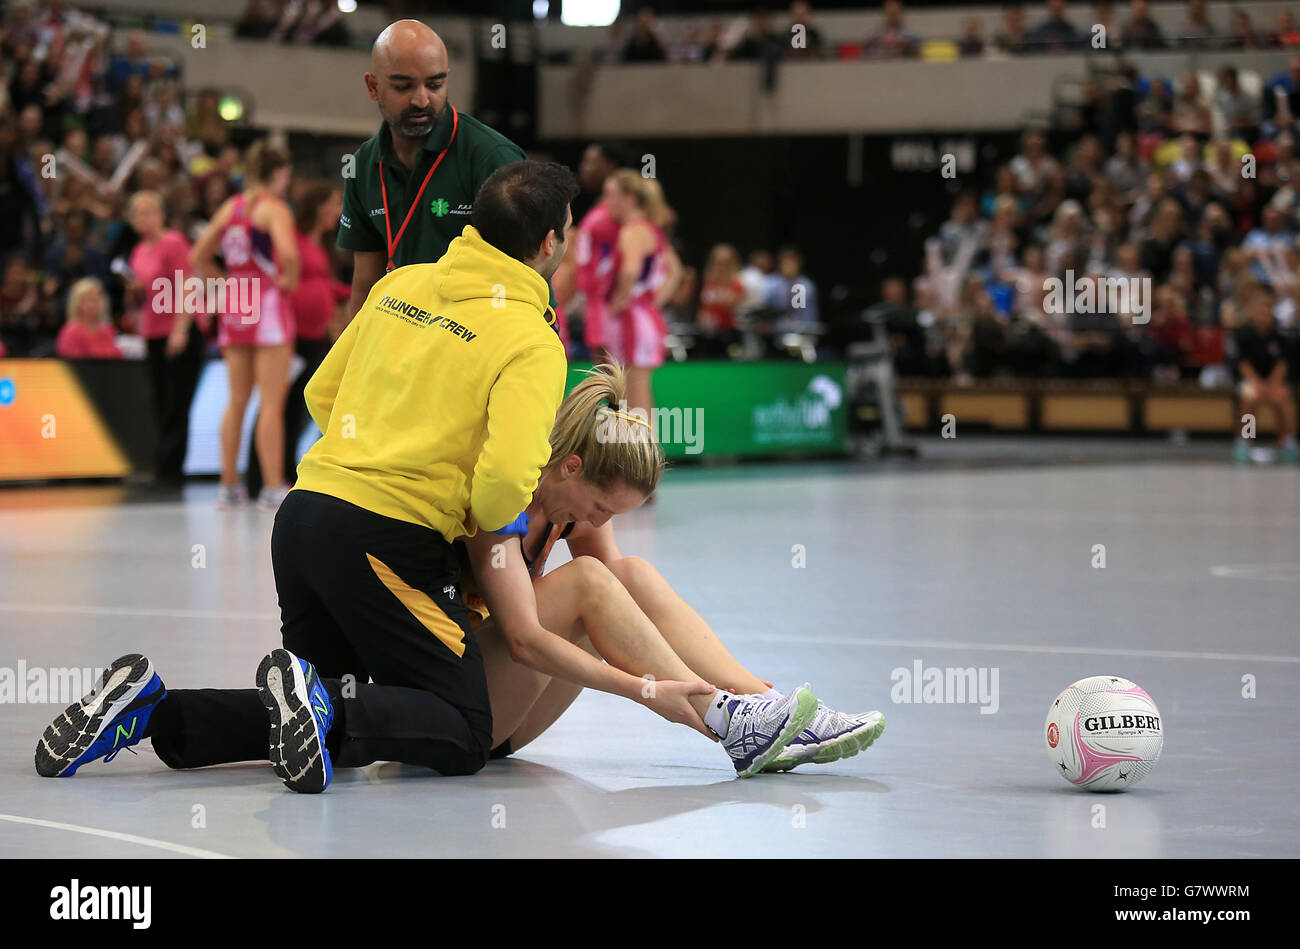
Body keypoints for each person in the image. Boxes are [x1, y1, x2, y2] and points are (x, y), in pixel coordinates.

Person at [33, 161, 578, 793]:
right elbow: (503, 483)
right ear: (548, 242)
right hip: (389, 540)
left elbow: (322, 395)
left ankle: (151, 711)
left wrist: (379, 440)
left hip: (304, 514)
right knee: (462, 726)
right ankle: (309, 711)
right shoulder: (532, 341)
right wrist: (467, 515)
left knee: (312, 716)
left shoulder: (401, 287)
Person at [466, 364, 884, 772]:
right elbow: (523, 641)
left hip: (512, 720)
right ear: (570, 466)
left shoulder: (570, 504)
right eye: (599, 508)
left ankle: (764, 705)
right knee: (589, 580)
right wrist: (645, 691)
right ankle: (725, 717)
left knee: (628, 574)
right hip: (470, 711)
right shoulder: (502, 495)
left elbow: (628, 599)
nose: (598, 522)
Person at [337, 20, 529, 322]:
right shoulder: (362, 165)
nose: (422, 100)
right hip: (406, 337)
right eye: (404, 86)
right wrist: (350, 363)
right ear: (374, 87)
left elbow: (525, 274)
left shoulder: (491, 157)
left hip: (484, 334)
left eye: (435, 85)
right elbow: (364, 286)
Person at [190, 140, 299, 510]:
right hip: (266, 302)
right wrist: (289, 280)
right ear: (280, 173)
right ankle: (271, 487)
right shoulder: (273, 208)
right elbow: (287, 254)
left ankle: (227, 486)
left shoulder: (230, 207)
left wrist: (220, 277)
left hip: (235, 300)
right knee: (271, 401)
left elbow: (196, 254)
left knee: (236, 399)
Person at [244, 181, 348, 498]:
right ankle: (261, 477)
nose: (339, 210)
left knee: (295, 408)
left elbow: (323, 285)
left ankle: (286, 471)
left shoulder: (324, 245)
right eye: (334, 203)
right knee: (279, 405)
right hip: (291, 335)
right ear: (318, 206)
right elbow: (282, 276)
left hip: (314, 337)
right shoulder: (294, 239)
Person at [125, 190, 206, 489]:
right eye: (136, 213)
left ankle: (172, 470)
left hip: (176, 329)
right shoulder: (138, 251)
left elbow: (188, 284)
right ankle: (164, 466)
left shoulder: (172, 242)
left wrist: (181, 328)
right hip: (153, 331)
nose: (141, 218)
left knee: (177, 401)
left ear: (160, 215)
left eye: (147, 211)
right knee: (160, 400)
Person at [603, 170, 676, 419]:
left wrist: (621, 300)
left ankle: (643, 457)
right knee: (636, 399)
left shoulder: (632, 231)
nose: (606, 203)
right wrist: (652, 302)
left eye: (611, 195)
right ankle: (641, 456)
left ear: (629, 199)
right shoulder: (650, 230)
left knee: (634, 401)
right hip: (645, 318)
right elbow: (674, 272)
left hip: (633, 321)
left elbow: (631, 271)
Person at [1233, 287, 1297, 463]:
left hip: (1273, 382)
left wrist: (1271, 385)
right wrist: (1258, 384)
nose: (1263, 317)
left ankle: (1287, 440)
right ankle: (1246, 440)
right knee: (1250, 398)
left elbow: (1281, 364)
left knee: (1283, 398)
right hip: (1251, 381)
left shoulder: (1279, 337)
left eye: (1267, 313)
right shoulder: (1245, 335)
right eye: (1260, 313)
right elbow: (1244, 364)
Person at [54, 277, 121, 358]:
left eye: (98, 298)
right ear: (78, 303)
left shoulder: (108, 330)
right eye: (90, 299)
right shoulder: (71, 332)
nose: (95, 303)